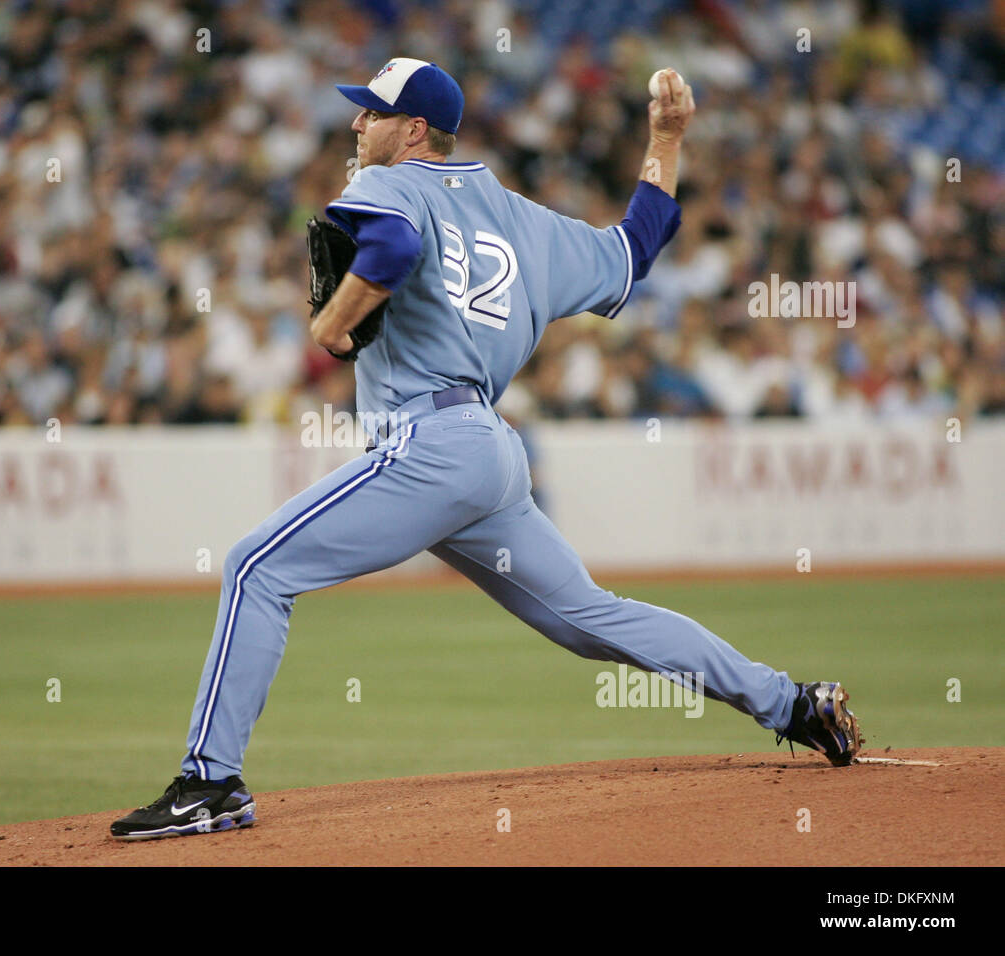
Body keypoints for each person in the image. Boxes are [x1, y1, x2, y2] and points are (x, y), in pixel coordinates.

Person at [111, 59, 862, 841]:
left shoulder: (393, 184)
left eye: (371, 114)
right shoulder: (520, 218)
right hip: (490, 457)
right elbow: (636, 247)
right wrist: (666, 139)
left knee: (255, 568)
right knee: (590, 618)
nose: (357, 124)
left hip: (428, 445)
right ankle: (795, 702)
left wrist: (333, 325)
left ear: (412, 132)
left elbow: (394, 251)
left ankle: (211, 783)